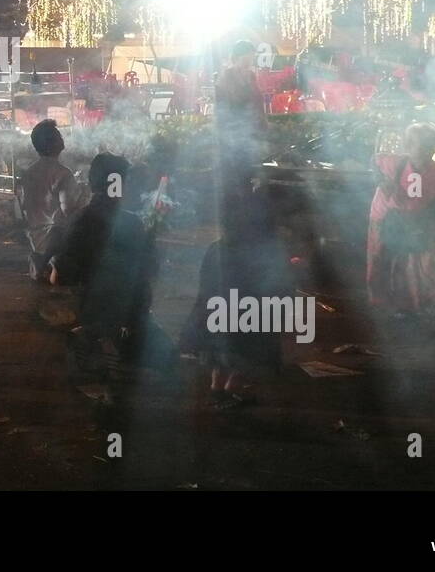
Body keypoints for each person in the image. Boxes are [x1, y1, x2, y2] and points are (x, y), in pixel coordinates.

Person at [182, 190, 287, 408]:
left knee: (221, 346)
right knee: (254, 342)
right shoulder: (264, 252)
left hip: (217, 316)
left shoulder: (217, 248)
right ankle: (232, 388)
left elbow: (206, 287)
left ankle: (217, 387)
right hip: (247, 318)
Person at [54, 154, 162, 365]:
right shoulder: (133, 223)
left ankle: (91, 340)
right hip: (130, 316)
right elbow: (151, 270)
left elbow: (60, 277)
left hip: (93, 312)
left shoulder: (81, 220)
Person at [366, 122, 435, 314]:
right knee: (385, 258)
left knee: (417, 261)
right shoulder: (395, 162)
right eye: (423, 147)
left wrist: (430, 221)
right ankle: (384, 301)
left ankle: (417, 301)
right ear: (409, 146)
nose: (427, 153)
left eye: (431, 148)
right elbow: (374, 161)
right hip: (387, 217)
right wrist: (383, 182)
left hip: (416, 218)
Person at [16, 119, 85, 283]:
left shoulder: (28, 173)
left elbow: (21, 210)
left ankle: (44, 260)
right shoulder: (63, 174)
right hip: (55, 238)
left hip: (34, 235)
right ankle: (52, 262)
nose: (62, 138)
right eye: (58, 135)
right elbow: (69, 211)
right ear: (53, 142)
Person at [214, 40, 267, 206]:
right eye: (247, 57)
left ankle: (249, 206)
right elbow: (227, 105)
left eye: (252, 57)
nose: (250, 61)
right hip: (233, 135)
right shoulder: (226, 77)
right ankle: (236, 211)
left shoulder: (250, 76)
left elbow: (257, 101)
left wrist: (262, 122)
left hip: (250, 132)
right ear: (237, 57)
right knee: (236, 175)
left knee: (250, 172)